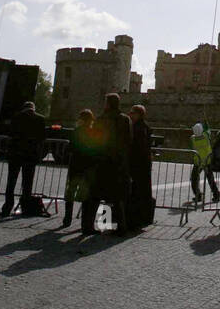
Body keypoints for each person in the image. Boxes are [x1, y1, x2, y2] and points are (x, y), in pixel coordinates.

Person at [81, 93, 131, 236]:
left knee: (96, 196)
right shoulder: (125, 119)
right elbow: (128, 141)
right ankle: (118, 226)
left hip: (102, 161)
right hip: (118, 163)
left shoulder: (101, 120)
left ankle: (92, 226)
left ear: (107, 104)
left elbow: (95, 141)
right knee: (115, 196)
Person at [0, 100, 47, 217]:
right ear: (33, 108)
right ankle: (26, 208)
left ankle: (7, 207)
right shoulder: (40, 119)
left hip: (16, 154)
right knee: (27, 183)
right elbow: (42, 138)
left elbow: (10, 133)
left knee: (11, 181)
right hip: (31, 155)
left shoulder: (16, 117)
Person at [61, 109, 95, 228]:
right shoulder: (93, 132)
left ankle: (67, 219)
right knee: (85, 195)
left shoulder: (76, 131)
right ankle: (84, 223)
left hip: (75, 166)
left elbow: (70, 148)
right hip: (87, 167)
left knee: (70, 192)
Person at [127, 105, 154, 229]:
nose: (130, 115)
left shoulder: (138, 128)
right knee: (140, 193)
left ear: (139, 114)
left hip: (138, 166)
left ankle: (134, 222)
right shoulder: (144, 127)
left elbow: (138, 148)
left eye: (132, 113)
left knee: (136, 193)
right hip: (143, 166)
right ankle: (139, 220)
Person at [190, 123, 219, 205]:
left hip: (198, 162)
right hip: (207, 161)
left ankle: (198, 195)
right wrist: (206, 124)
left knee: (194, 179)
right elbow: (208, 130)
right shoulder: (206, 136)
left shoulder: (192, 139)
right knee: (210, 180)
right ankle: (216, 195)